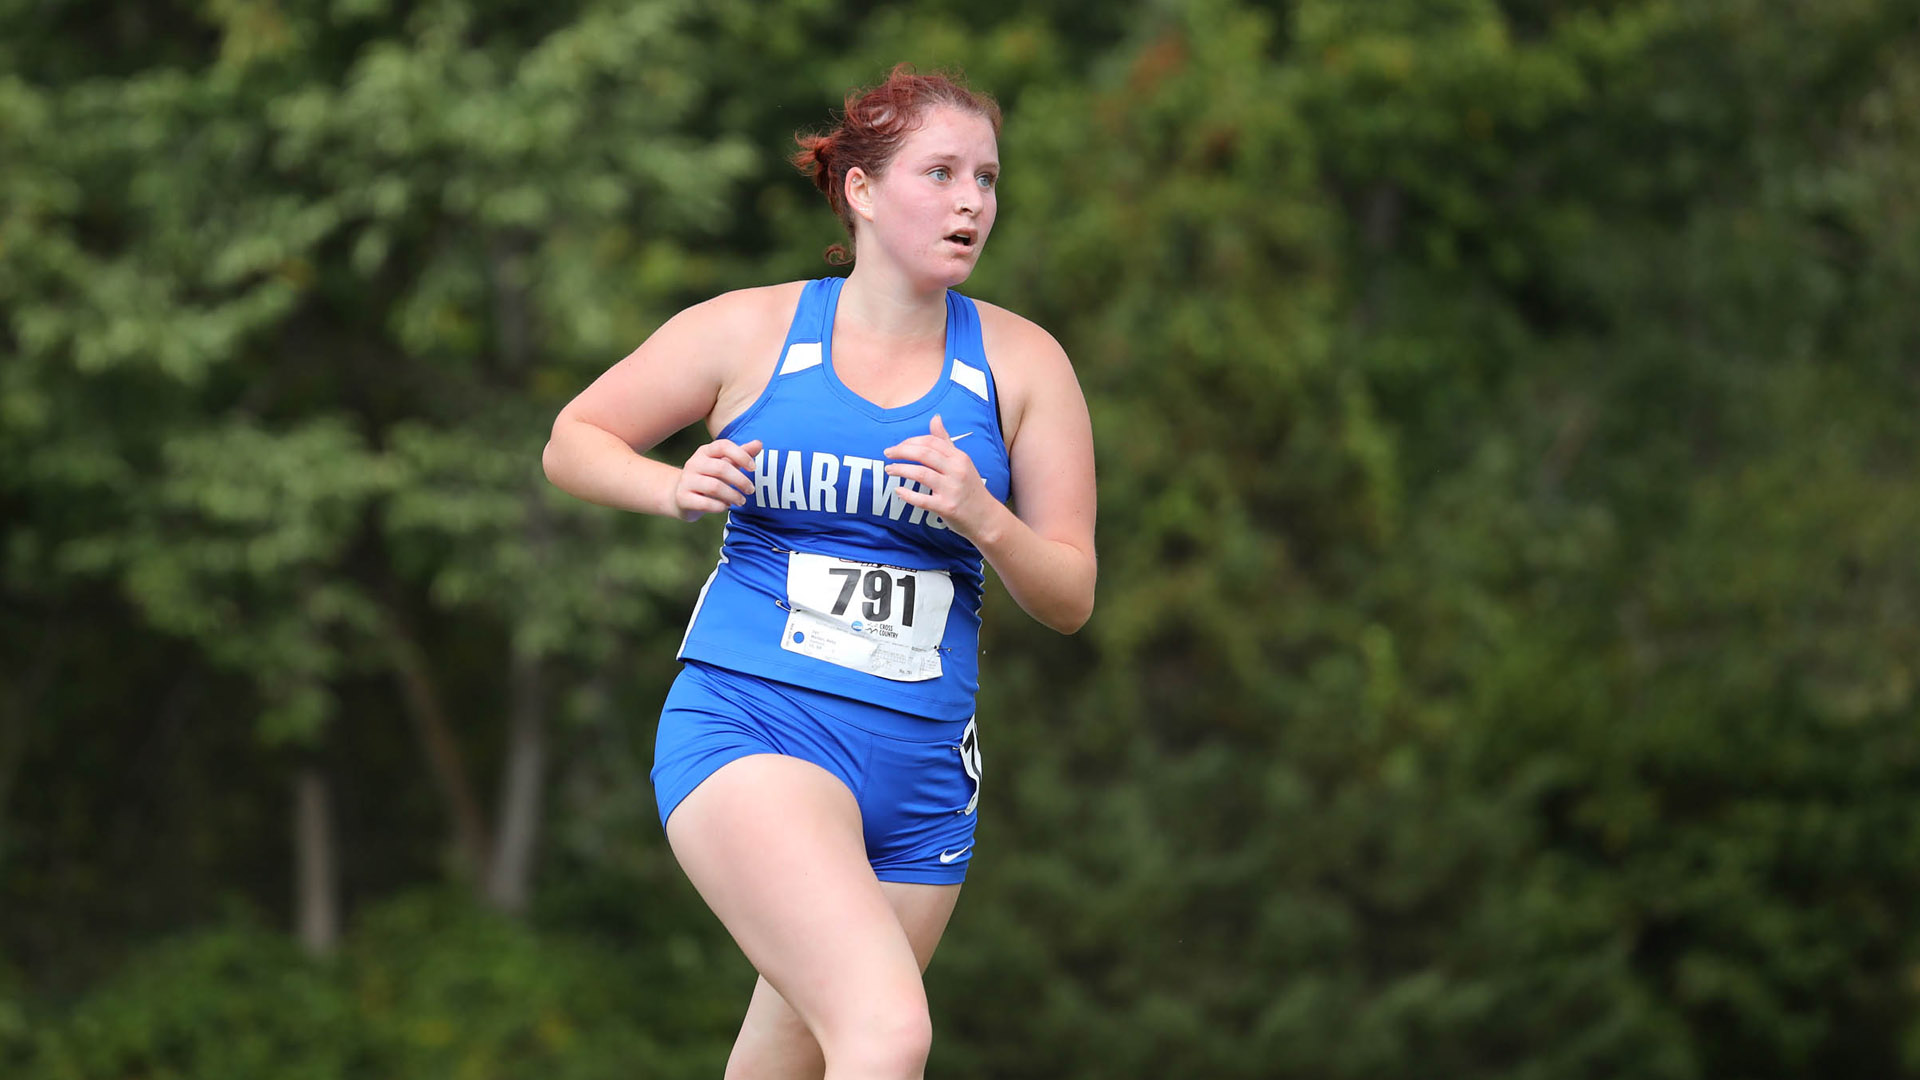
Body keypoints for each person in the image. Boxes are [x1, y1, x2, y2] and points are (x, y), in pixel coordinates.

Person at [542, 64, 1097, 1080]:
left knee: (785, 1066)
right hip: (756, 729)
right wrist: (671, 488)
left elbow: (1068, 593)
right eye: (941, 172)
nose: (973, 200)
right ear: (862, 190)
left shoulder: (1022, 365)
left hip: (926, 780)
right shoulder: (750, 330)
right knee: (887, 1036)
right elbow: (573, 439)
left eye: (987, 178)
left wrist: (985, 517)